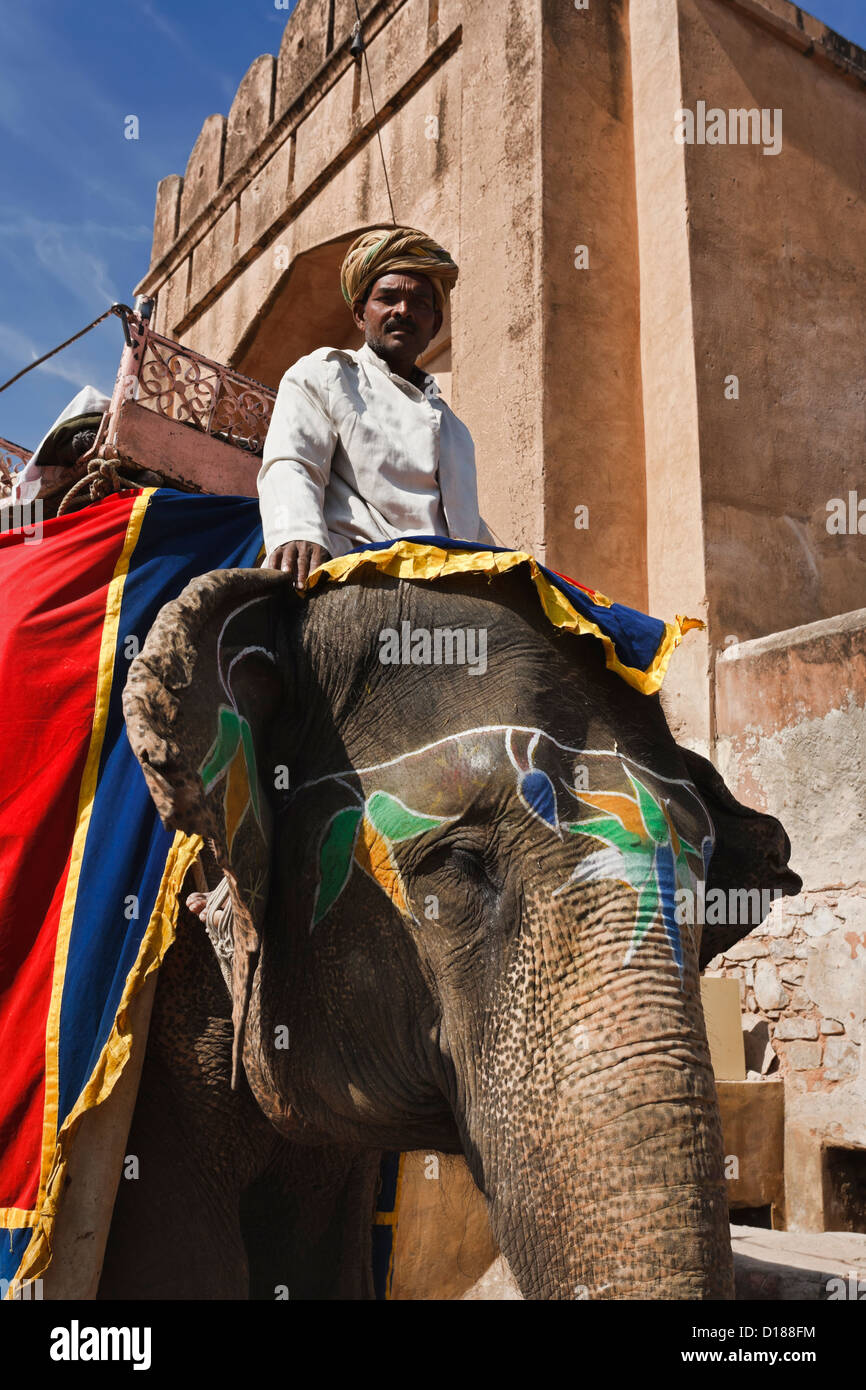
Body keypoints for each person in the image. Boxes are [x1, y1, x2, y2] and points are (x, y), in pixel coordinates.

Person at [257, 225, 496, 590]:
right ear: (360, 314)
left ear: (436, 324)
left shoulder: (454, 429)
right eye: (388, 299)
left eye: (419, 303)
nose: (403, 311)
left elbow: (468, 527)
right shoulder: (325, 374)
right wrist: (297, 530)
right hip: (357, 571)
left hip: (444, 586)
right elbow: (292, 462)